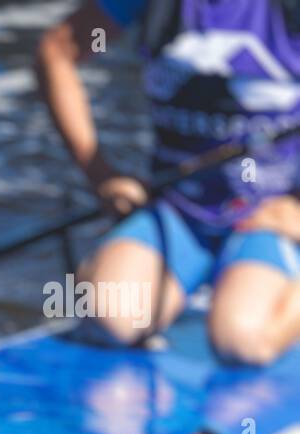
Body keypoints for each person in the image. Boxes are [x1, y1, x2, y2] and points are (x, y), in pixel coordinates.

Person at [36, 0, 300, 365]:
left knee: (243, 342)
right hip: (178, 210)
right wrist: (101, 174)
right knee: (110, 319)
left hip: (264, 218)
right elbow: (56, 52)